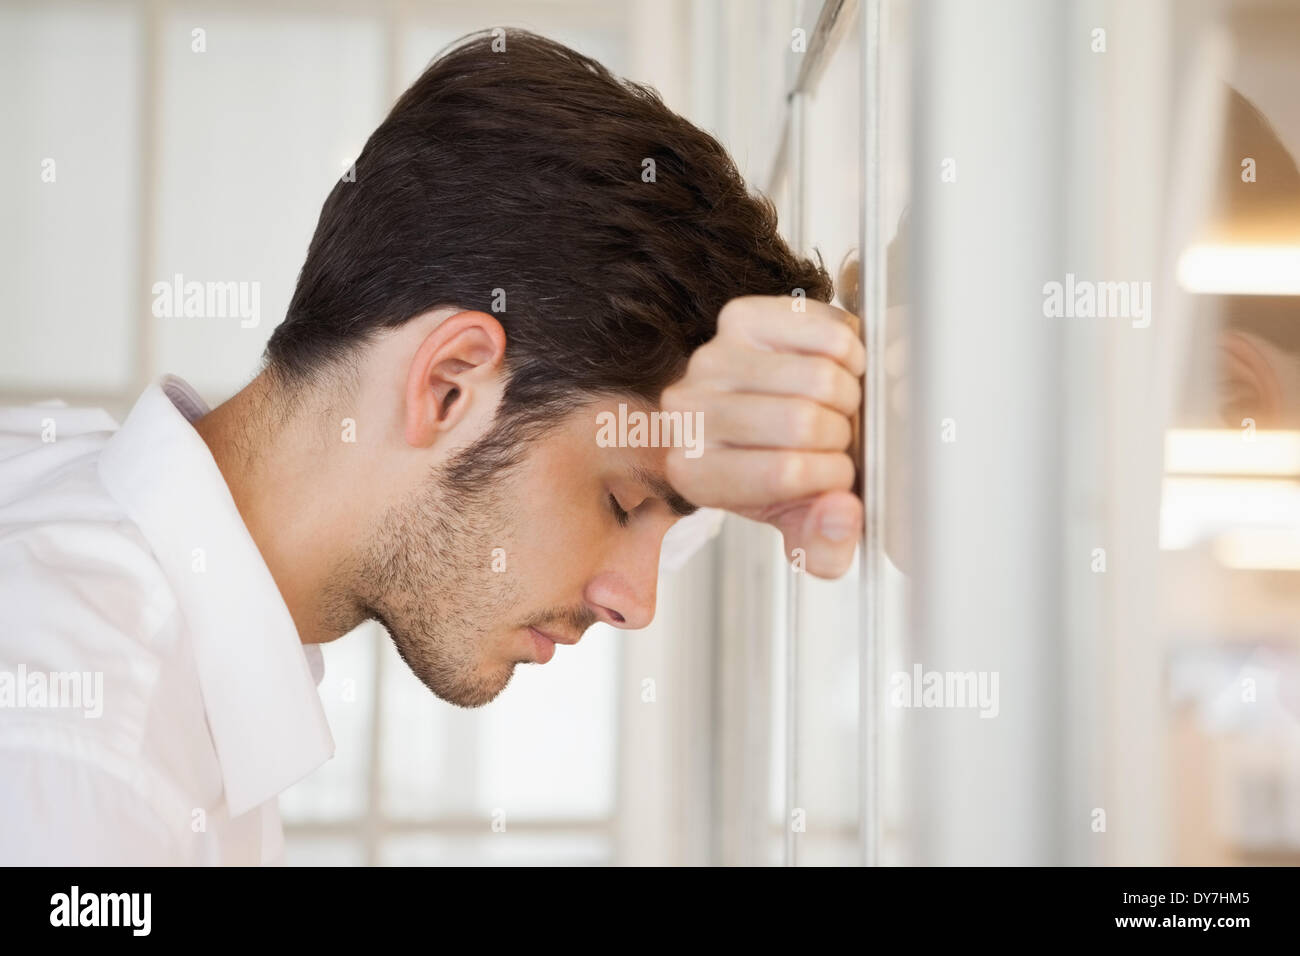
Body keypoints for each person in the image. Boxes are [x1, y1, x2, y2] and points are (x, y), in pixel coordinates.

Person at [0, 29, 864, 864]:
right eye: (623, 505)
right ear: (449, 384)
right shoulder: (88, 760)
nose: (637, 604)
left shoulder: (83, 516)